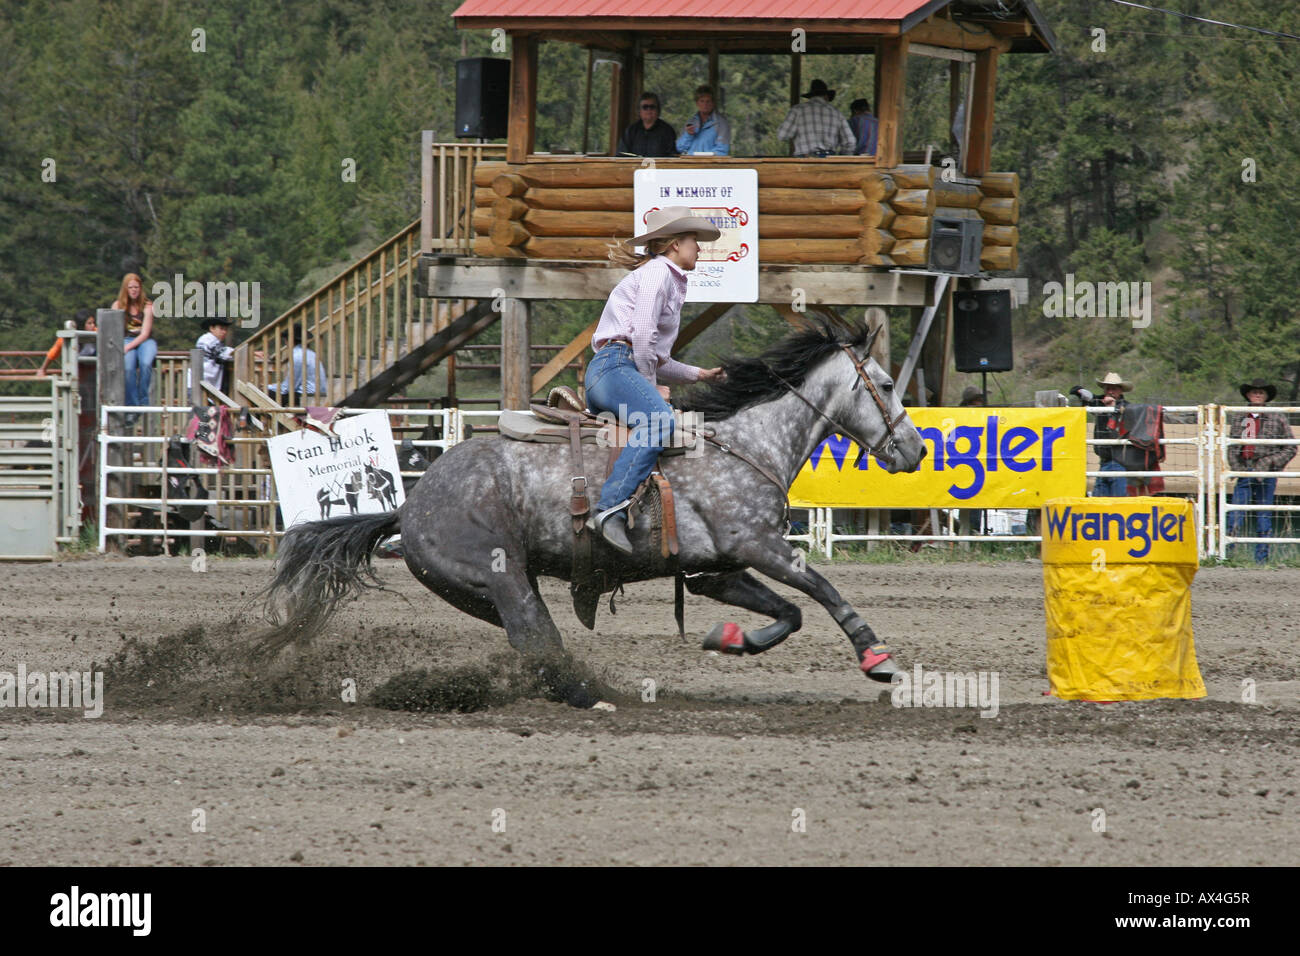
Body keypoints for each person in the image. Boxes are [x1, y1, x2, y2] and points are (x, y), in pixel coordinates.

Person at [585, 206, 727, 553]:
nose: (700, 248)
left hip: (613, 368)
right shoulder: (658, 274)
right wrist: (649, 384)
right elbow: (644, 334)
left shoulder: (660, 275)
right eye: (694, 240)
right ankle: (610, 511)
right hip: (616, 367)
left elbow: (656, 356)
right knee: (659, 420)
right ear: (676, 244)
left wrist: (699, 375)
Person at [1227, 378, 1297, 563]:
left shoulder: (1278, 416)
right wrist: (1237, 467)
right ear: (1248, 395)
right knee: (1235, 513)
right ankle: (1228, 556)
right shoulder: (1239, 416)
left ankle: (1262, 559)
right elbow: (1232, 444)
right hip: (1245, 469)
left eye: (1261, 392)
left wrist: (1270, 463)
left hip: (1267, 473)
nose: (1257, 395)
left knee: (1263, 515)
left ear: (1266, 396)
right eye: (1254, 392)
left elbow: (1291, 446)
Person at [112, 273, 157, 419]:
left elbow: (144, 333)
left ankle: (144, 401)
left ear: (141, 288)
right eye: (130, 287)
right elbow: (114, 329)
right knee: (128, 368)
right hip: (125, 339)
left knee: (145, 363)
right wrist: (125, 346)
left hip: (145, 340)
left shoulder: (148, 306)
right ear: (125, 288)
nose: (133, 290)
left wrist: (128, 347)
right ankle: (132, 406)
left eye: (136, 287)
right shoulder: (118, 305)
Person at [777, 79, 856, 158]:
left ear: (811, 96)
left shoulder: (797, 110)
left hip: (803, 161)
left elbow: (782, 135)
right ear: (826, 96)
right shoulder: (836, 113)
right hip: (828, 160)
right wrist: (842, 158)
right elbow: (850, 142)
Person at [1091, 372, 1131, 497]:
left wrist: (1114, 409)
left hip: (1120, 463)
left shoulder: (1128, 408)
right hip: (1104, 462)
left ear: (1120, 390)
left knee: (1119, 504)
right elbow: (1089, 400)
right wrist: (1081, 392)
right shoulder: (1100, 405)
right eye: (1107, 388)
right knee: (1099, 505)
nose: (1110, 391)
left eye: (1113, 388)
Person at [269, 325, 326, 406]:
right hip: (317, 393)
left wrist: (268, 387)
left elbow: (289, 387)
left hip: (306, 396)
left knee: (266, 394)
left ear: (288, 340)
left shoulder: (297, 356)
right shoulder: (311, 353)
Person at [617, 92, 677, 158]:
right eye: (645, 107)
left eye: (652, 107)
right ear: (639, 111)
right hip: (634, 167)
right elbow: (622, 154)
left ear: (658, 110)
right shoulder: (631, 131)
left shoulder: (667, 131)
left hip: (659, 167)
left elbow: (672, 156)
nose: (649, 110)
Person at [37, 309, 96, 376]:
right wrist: (42, 369)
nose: (93, 325)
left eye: (93, 323)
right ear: (81, 324)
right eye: (89, 323)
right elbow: (53, 353)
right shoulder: (68, 337)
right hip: (78, 375)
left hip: (94, 373)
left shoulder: (96, 333)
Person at [676, 85, 731, 156]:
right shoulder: (691, 122)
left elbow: (722, 151)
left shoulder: (721, 123)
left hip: (710, 165)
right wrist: (688, 135)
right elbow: (679, 148)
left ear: (713, 103)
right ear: (697, 103)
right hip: (689, 165)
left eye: (708, 101)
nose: (705, 104)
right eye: (702, 101)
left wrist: (695, 155)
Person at [196, 317, 235, 392]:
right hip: (200, 382)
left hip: (207, 383)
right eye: (221, 328)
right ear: (212, 328)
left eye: (225, 329)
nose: (224, 332)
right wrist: (250, 352)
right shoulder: (206, 340)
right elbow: (224, 353)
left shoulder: (214, 341)